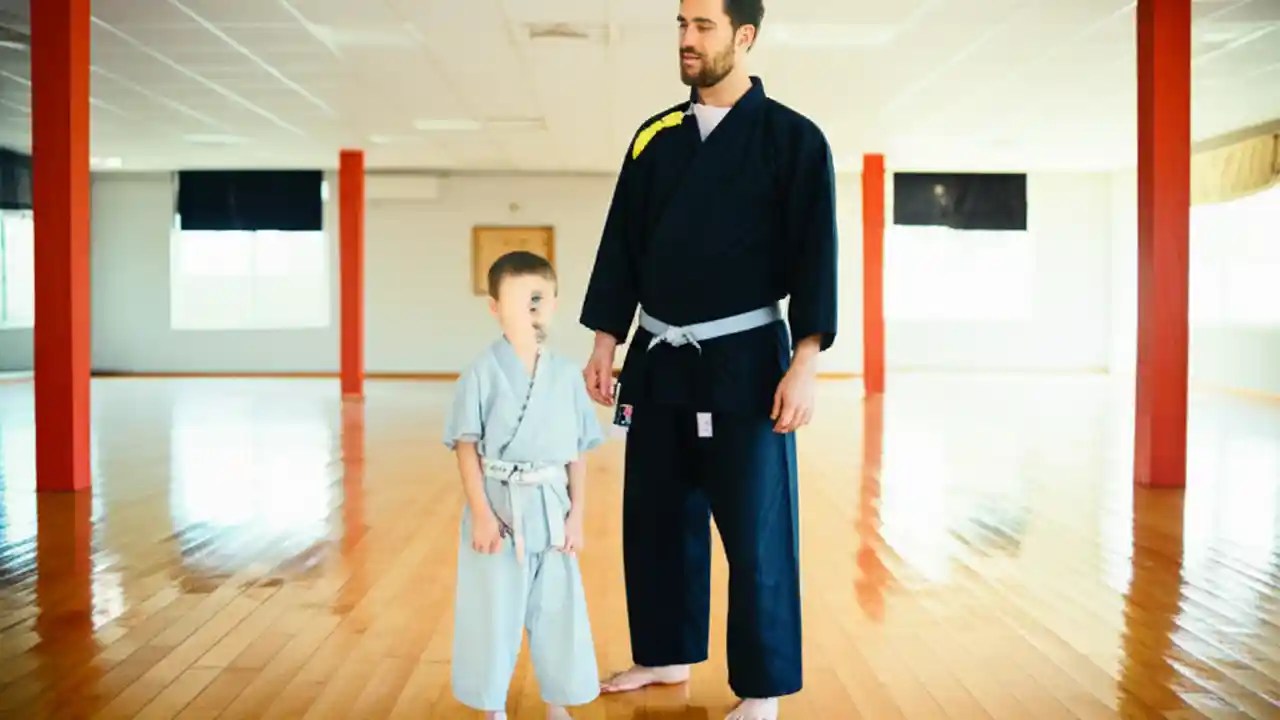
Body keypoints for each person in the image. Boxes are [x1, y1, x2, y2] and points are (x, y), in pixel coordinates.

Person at [579, 1, 838, 719]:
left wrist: (806, 360)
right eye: (681, 25)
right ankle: (665, 653)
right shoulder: (654, 136)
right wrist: (605, 340)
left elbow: (816, 254)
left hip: (747, 363)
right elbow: (622, 242)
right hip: (658, 359)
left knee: (756, 531)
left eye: (703, 27)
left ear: (744, 36)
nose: (686, 40)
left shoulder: (794, 139)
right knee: (656, 516)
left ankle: (762, 687)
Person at [445, 251, 606, 720]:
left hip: (552, 506)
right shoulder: (480, 372)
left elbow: (577, 452)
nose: (530, 311)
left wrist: (576, 516)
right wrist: (481, 515)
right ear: (495, 308)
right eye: (517, 302)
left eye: (538, 300)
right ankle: (491, 706)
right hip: (498, 504)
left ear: (553, 303)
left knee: (558, 610)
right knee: (492, 612)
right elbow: (466, 446)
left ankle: (557, 703)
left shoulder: (566, 376)